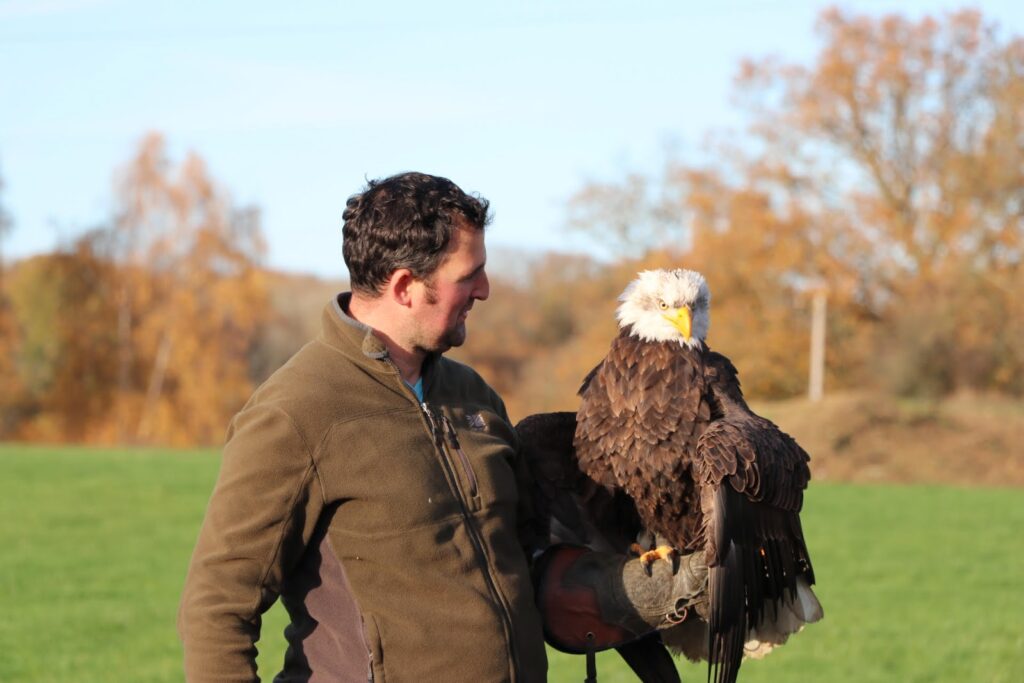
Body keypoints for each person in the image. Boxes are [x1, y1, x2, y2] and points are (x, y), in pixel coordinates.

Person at [178, 172, 708, 683]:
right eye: (468, 275)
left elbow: (525, 562)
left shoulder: (475, 398)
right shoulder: (296, 412)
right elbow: (218, 604)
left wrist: (625, 592)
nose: (485, 289)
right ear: (407, 286)